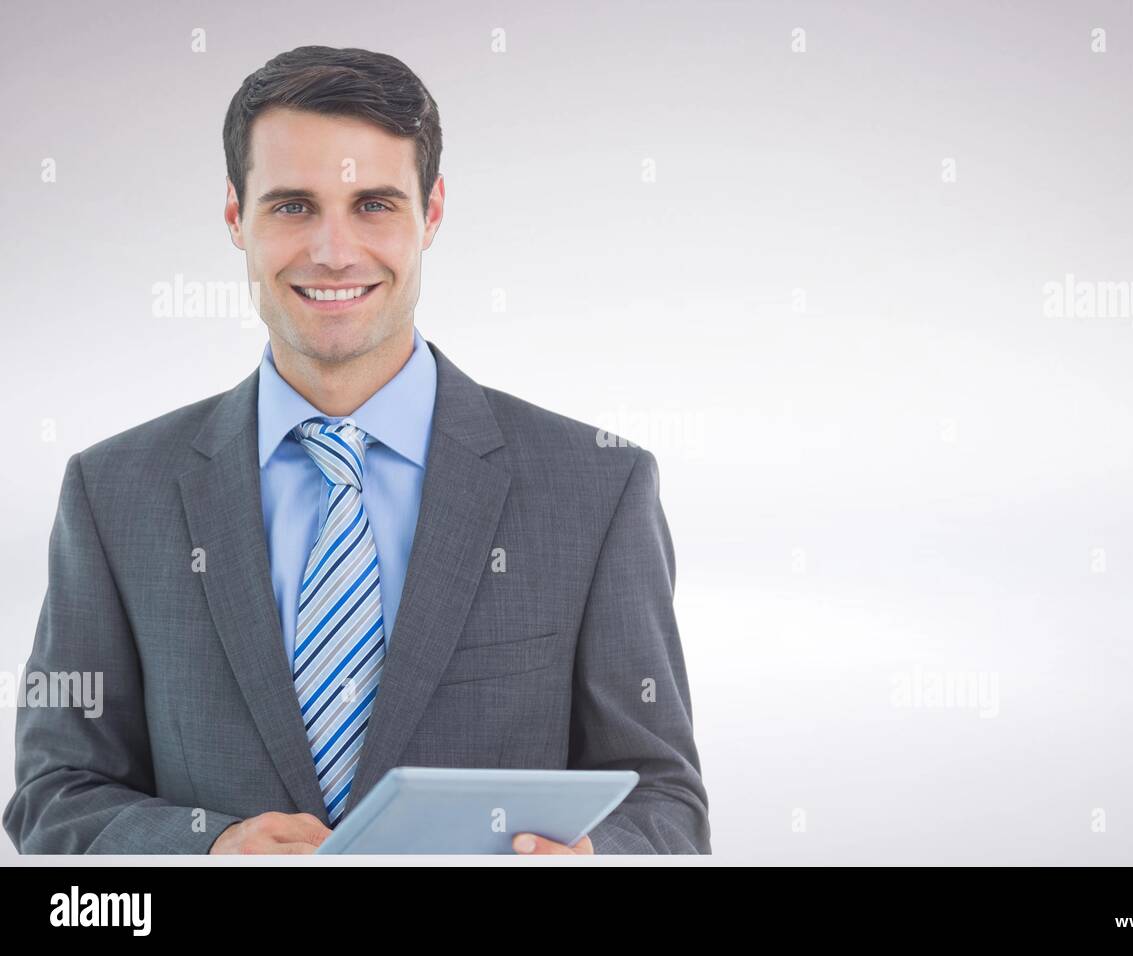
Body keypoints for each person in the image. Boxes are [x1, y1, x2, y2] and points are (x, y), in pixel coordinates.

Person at [2, 45, 709, 855]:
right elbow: (55, 795)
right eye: (293, 206)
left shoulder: (597, 486)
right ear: (236, 217)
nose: (334, 252)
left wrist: (596, 859)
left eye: (373, 203)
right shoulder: (113, 492)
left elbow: (664, 801)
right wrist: (206, 851)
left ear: (432, 212)